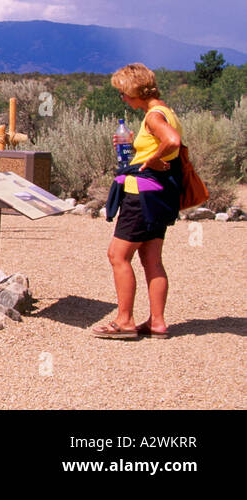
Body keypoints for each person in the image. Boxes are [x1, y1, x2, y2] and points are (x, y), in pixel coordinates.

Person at [93, 63, 183, 340]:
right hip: (160, 197)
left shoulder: (154, 117)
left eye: (123, 93)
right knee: (152, 258)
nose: (123, 99)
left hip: (141, 197)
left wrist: (152, 160)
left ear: (135, 91)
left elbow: (172, 141)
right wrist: (135, 148)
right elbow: (165, 143)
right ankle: (157, 323)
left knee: (118, 255)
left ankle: (125, 320)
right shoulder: (164, 112)